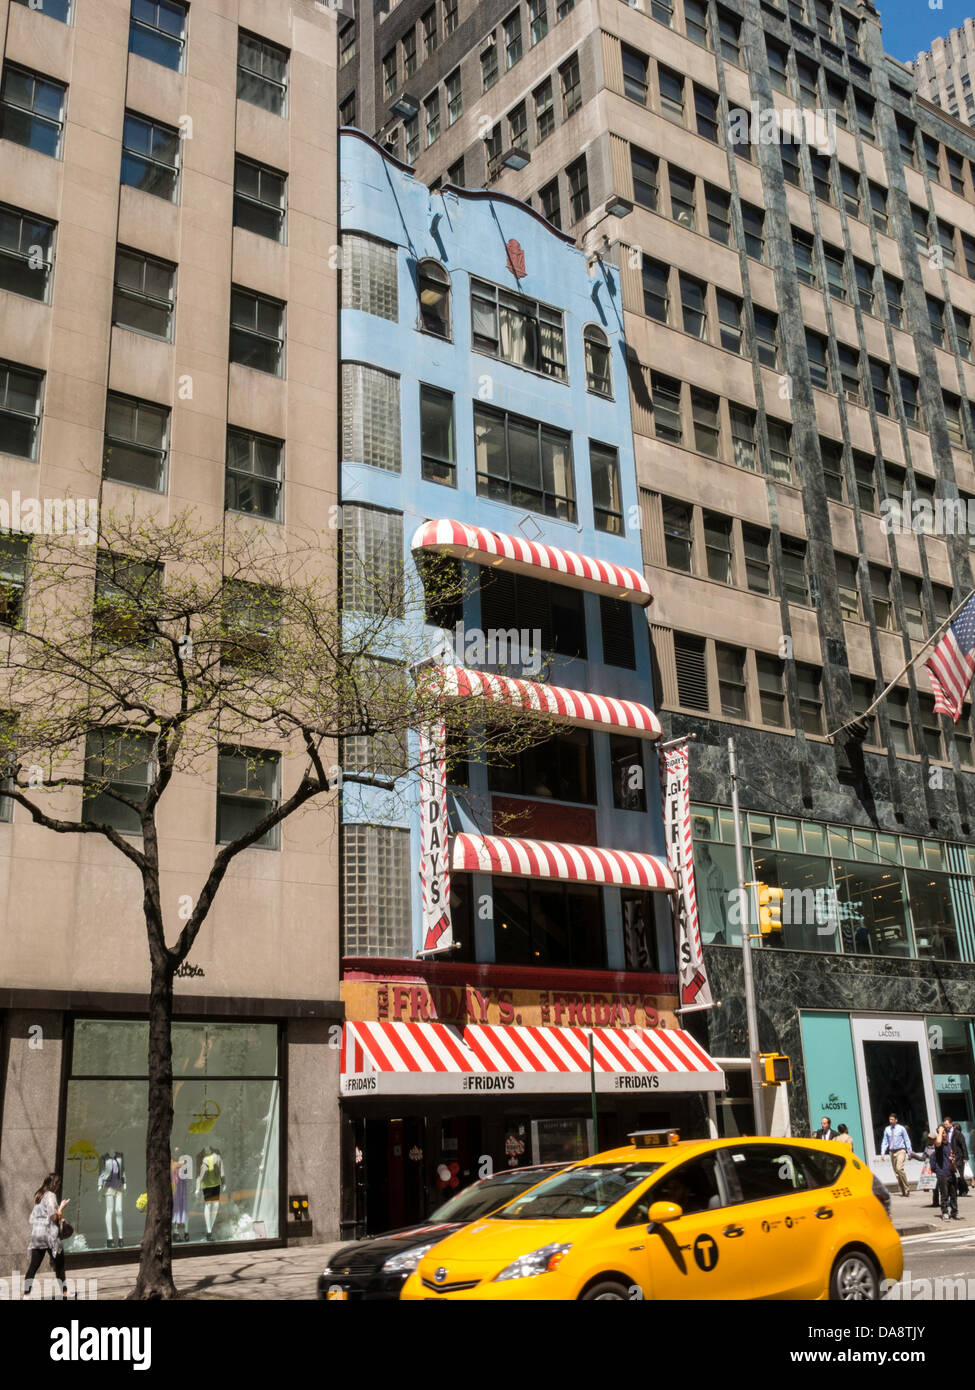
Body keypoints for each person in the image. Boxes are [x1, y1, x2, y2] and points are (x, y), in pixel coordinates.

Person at [23, 1172, 69, 1299]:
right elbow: (53, 1217)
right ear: (55, 1184)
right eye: (58, 1184)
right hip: (50, 1236)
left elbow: (37, 1215)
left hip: (37, 1236)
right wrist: (61, 1208)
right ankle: (65, 1293)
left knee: (33, 1266)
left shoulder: (40, 1195)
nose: (59, 1186)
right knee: (59, 1265)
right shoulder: (51, 1196)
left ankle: (26, 1295)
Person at [880, 1113, 913, 1196]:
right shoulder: (887, 1129)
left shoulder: (901, 1128)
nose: (890, 1121)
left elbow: (906, 1140)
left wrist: (909, 1152)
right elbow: (885, 1141)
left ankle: (907, 1188)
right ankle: (903, 1190)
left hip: (901, 1150)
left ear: (896, 1120)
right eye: (889, 1119)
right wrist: (883, 1152)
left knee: (899, 1168)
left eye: (892, 1119)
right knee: (896, 1173)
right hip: (892, 1152)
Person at [933, 1124, 960, 1221]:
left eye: (945, 1133)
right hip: (942, 1172)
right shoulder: (937, 1144)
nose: (945, 1135)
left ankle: (954, 1212)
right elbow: (939, 1142)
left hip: (950, 1172)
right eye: (943, 1133)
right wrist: (940, 1131)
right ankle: (945, 1213)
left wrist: (952, 1161)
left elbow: (952, 1158)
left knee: (953, 1194)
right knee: (944, 1194)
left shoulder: (949, 1145)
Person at [943, 1116, 969, 1197]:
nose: (946, 1126)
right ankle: (958, 1190)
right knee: (953, 1175)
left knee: (960, 1175)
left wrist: (965, 1157)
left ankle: (964, 1190)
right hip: (950, 1156)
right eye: (945, 1124)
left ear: (950, 1124)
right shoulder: (945, 1133)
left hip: (959, 1156)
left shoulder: (958, 1133)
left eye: (947, 1124)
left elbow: (963, 1145)